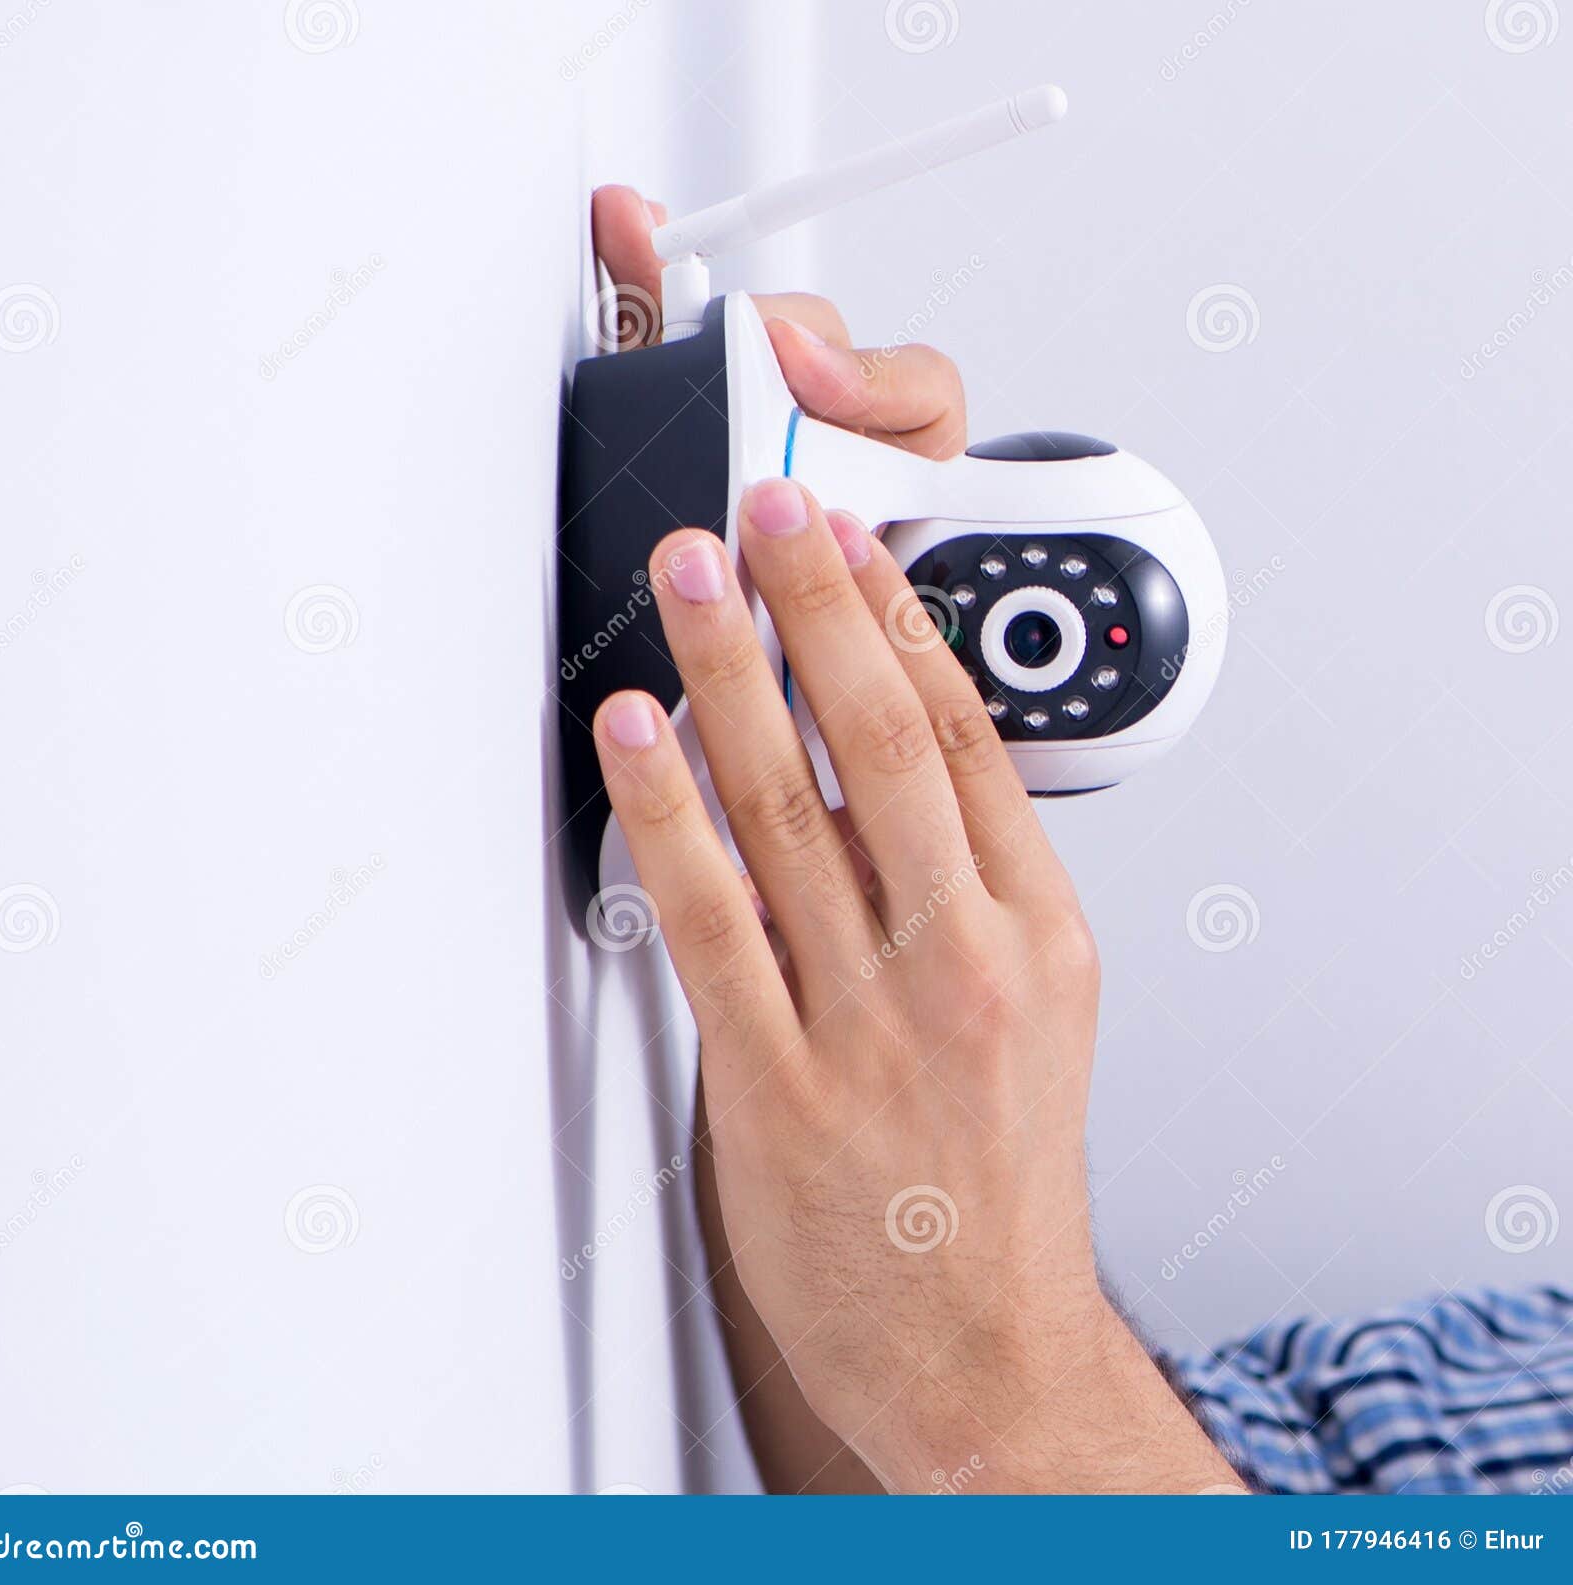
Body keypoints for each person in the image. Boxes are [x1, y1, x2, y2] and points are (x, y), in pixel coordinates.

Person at [586, 189, 1573, 1498]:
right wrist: (835, 834)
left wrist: (1014, 1379)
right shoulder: (1489, 1375)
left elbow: (991, 1416)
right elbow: (892, 1463)